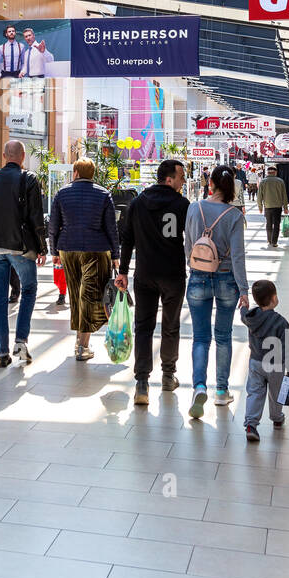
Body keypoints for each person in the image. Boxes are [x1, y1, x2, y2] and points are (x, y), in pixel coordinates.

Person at [116, 157, 190, 405]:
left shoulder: (137, 203)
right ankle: (168, 376)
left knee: (143, 327)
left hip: (145, 275)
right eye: (181, 176)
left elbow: (127, 239)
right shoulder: (182, 204)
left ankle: (142, 384)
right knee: (171, 326)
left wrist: (123, 271)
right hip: (173, 275)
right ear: (169, 179)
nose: (183, 180)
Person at [184, 164, 250, 418]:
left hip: (198, 277)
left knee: (200, 337)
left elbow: (188, 244)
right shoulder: (234, 216)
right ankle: (221, 391)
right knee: (223, 336)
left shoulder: (194, 208)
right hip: (226, 281)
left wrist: (194, 270)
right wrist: (244, 289)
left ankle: (199, 386)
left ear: (210, 183)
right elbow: (238, 257)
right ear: (231, 187)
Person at [0, 139, 47, 368]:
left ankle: (1, 352)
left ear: (5, 155)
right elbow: (36, 216)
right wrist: (42, 247)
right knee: (29, 289)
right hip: (20, 246)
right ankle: (20, 342)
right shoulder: (29, 179)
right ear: (23, 156)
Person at [49, 158, 120, 363]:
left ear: (76, 173)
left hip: (68, 248)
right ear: (92, 174)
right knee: (89, 295)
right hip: (97, 250)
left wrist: (54, 251)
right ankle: (83, 345)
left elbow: (54, 225)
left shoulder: (62, 193)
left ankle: (80, 341)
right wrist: (115, 255)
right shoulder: (103, 194)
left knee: (75, 293)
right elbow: (111, 228)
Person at [242, 277, 289, 443]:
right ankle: (277, 418)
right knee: (276, 393)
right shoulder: (281, 322)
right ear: (273, 299)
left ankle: (251, 425)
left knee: (255, 392)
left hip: (255, 362)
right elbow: (287, 349)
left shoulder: (251, 317)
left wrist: (243, 306)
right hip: (275, 366)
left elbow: (243, 315)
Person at [257, 165, 289, 248]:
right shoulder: (280, 181)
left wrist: (260, 207)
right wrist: (285, 207)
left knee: (269, 223)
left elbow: (259, 196)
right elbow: (284, 195)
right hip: (278, 207)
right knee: (276, 224)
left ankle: (269, 239)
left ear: (267, 172)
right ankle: (274, 241)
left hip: (267, 206)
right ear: (275, 172)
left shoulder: (263, 182)